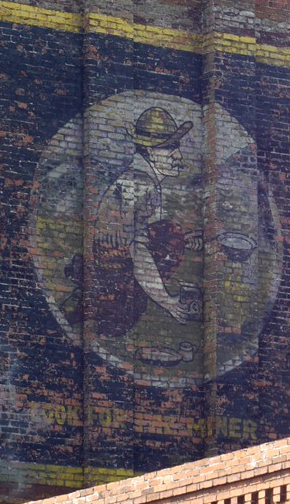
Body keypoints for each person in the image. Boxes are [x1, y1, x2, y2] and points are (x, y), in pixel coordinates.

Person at [63, 106, 200, 336]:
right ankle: (104, 297)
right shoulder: (142, 185)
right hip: (111, 267)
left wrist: (183, 240)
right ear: (149, 151)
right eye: (169, 148)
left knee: (171, 233)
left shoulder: (140, 179)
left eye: (176, 147)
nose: (178, 156)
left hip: (112, 257)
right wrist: (165, 299)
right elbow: (138, 249)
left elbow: (137, 235)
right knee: (118, 323)